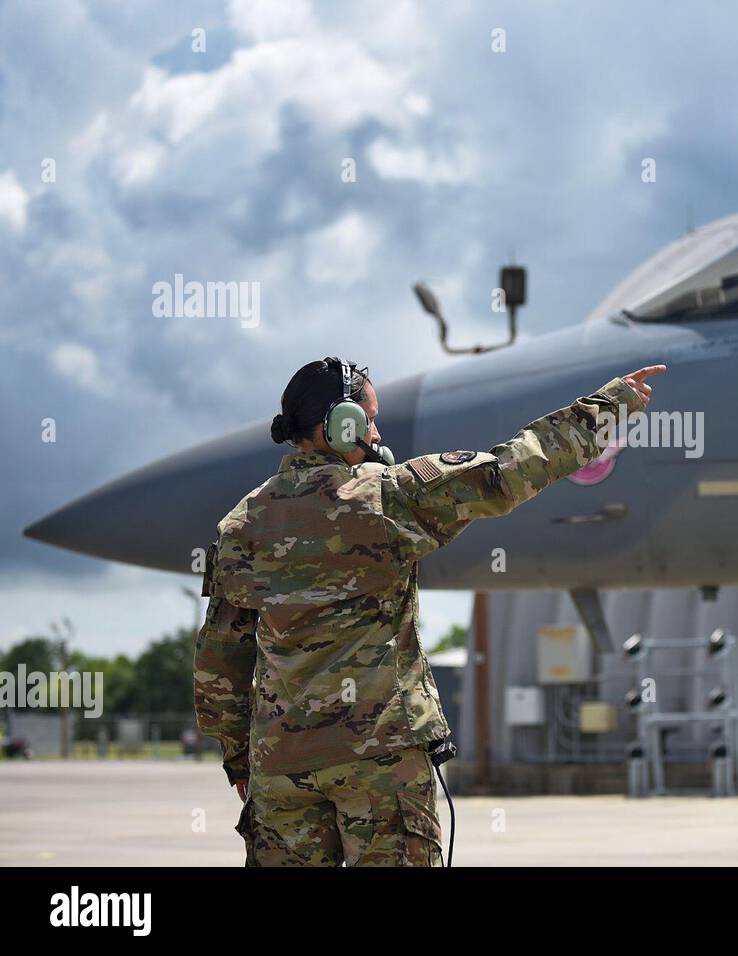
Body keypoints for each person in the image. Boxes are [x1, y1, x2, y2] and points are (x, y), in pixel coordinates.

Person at [194, 357, 665, 866]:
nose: (376, 432)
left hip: (279, 767)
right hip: (380, 757)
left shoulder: (240, 525)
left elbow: (219, 662)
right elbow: (509, 471)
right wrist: (608, 408)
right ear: (343, 424)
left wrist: (240, 760)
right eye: (369, 419)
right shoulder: (387, 497)